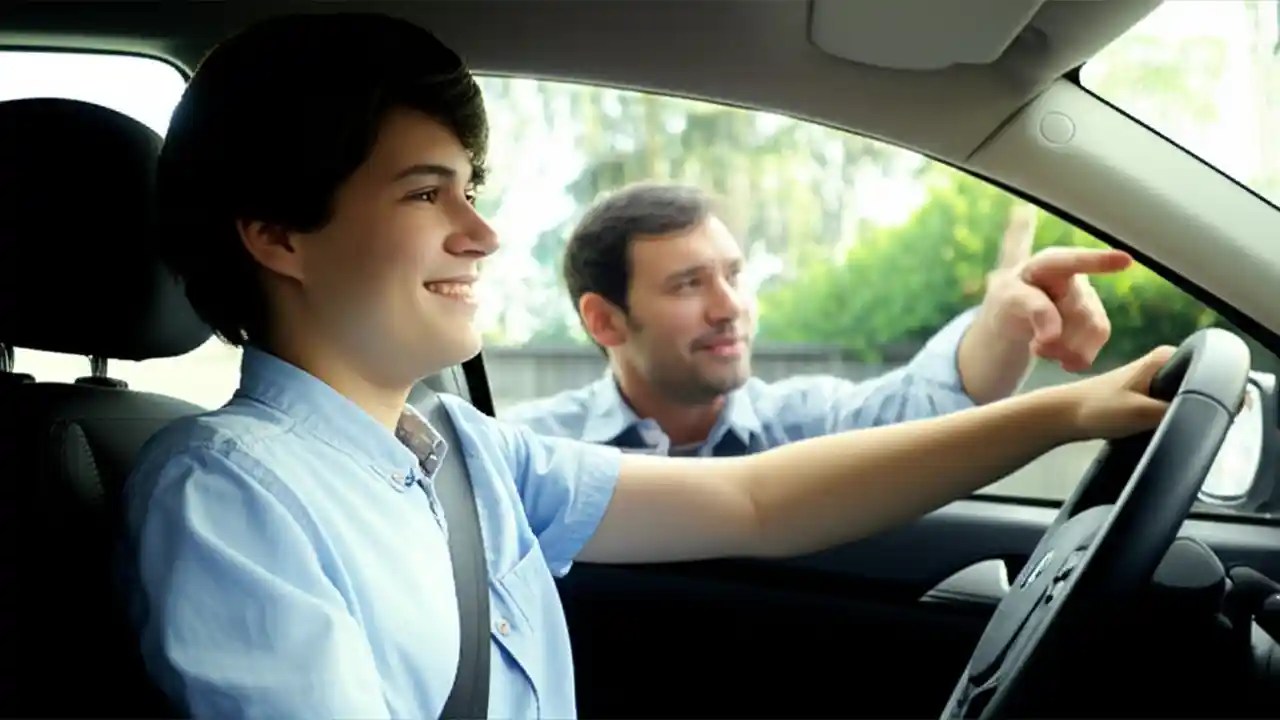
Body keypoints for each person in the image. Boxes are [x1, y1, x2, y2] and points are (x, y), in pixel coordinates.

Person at [119, 11, 1174, 720]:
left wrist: (1063, 413)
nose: (480, 237)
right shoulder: (226, 496)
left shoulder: (463, 454)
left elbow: (755, 501)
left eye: (469, 191)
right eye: (422, 194)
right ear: (277, 236)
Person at [500, 182, 1129, 455]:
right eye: (690, 285)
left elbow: (924, 408)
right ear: (605, 322)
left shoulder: (804, 423)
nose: (729, 307)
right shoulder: (532, 454)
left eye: (735, 275)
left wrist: (1006, 323)